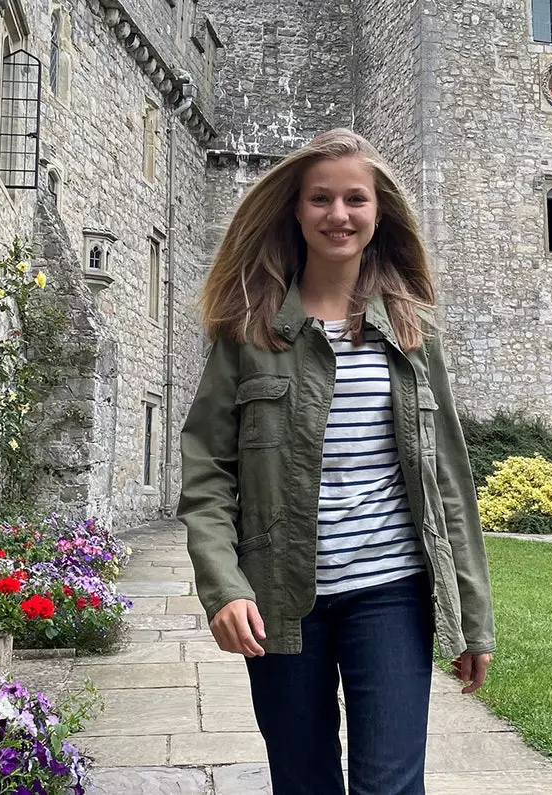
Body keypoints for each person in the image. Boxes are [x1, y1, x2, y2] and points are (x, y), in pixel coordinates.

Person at [177, 127, 495, 795]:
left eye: (356, 198)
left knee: (388, 786)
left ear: (379, 214)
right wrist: (223, 585)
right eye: (321, 198)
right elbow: (208, 470)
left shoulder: (412, 330)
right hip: (282, 596)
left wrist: (472, 616)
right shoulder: (249, 331)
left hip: (391, 591)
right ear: (296, 209)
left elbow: (449, 480)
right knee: (304, 781)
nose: (338, 214)